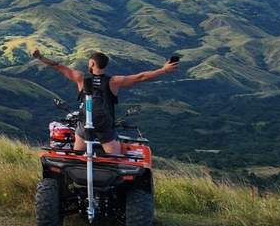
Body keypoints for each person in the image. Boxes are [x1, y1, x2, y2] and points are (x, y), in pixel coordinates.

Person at [31, 49, 179, 155]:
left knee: (76, 158)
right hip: (105, 126)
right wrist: (164, 70)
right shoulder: (113, 81)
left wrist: (40, 57)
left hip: (84, 124)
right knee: (115, 161)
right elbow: (141, 77)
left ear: (92, 63)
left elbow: (58, 66)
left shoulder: (81, 78)